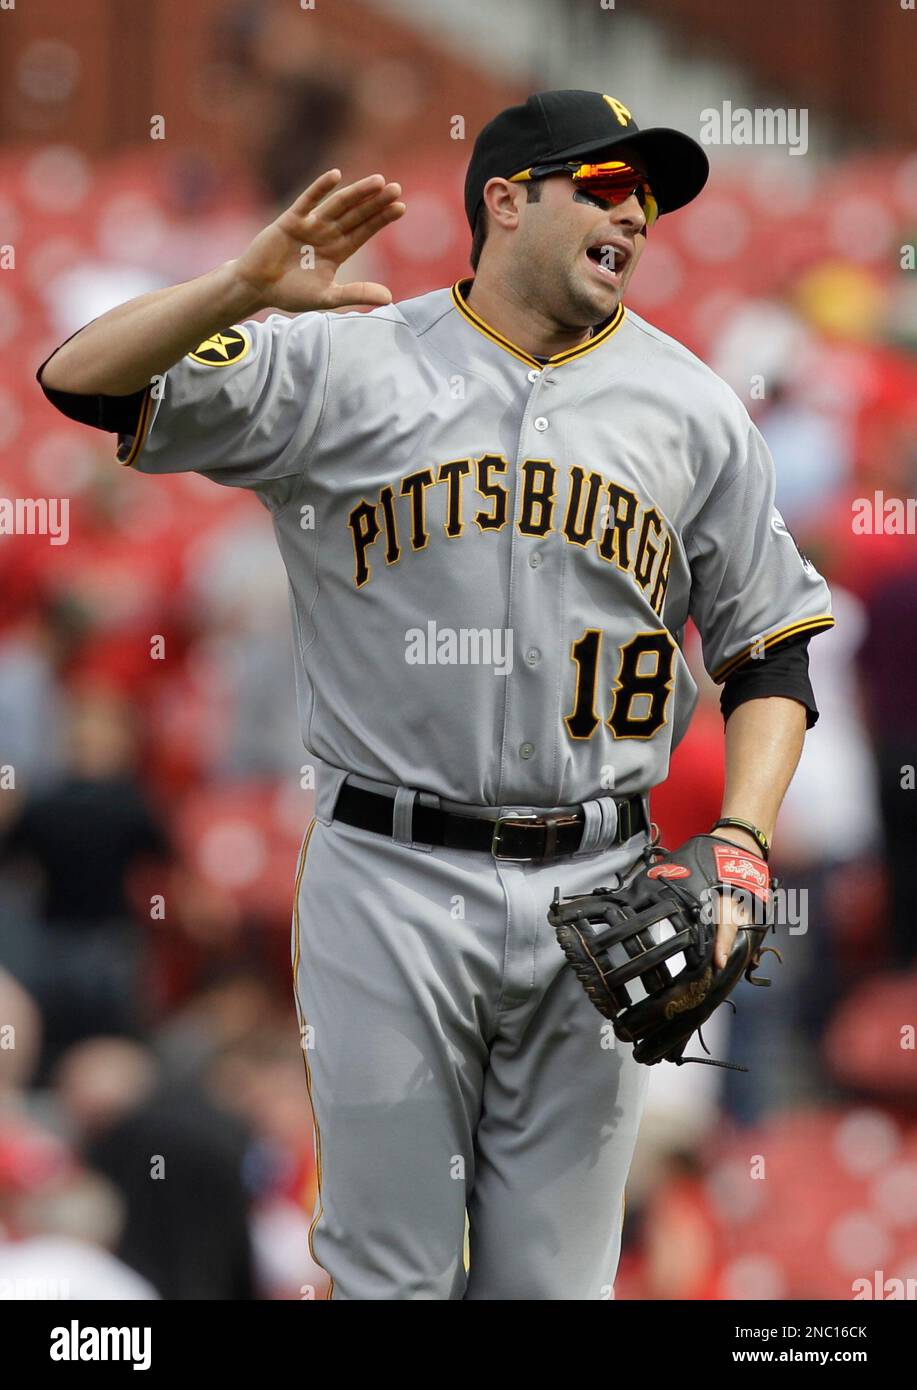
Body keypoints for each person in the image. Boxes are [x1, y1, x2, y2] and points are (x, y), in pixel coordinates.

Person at [37, 91, 833, 1300]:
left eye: (649, 198)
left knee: (552, 1289)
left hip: (602, 879)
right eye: (604, 185)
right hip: (386, 871)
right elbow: (80, 382)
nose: (636, 212)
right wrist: (240, 288)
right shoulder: (346, 361)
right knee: (386, 1277)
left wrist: (738, 839)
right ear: (505, 201)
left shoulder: (695, 409)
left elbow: (769, 647)